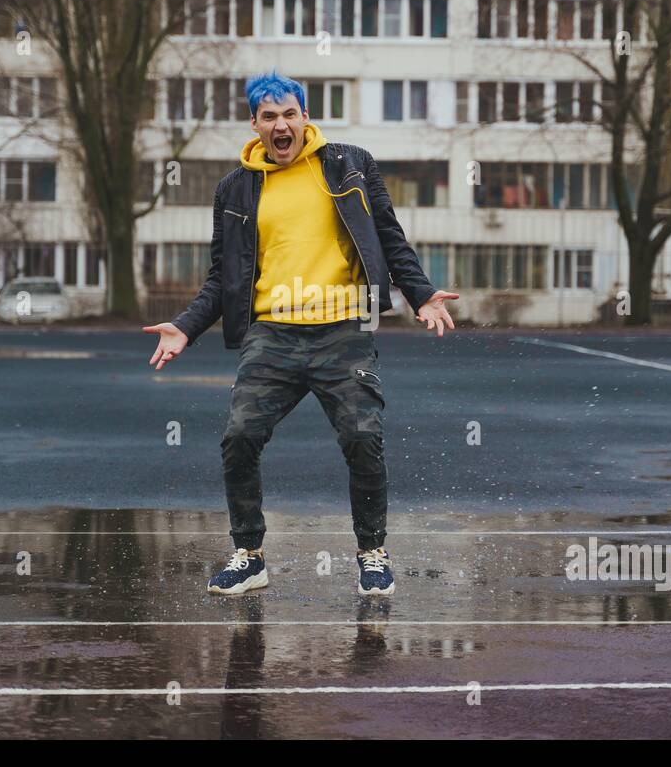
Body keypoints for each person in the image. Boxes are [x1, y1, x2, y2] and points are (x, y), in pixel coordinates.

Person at [143, 71, 458, 597]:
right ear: (255, 124)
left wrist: (420, 292)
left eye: (290, 113)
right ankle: (249, 555)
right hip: (273, 334)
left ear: (305, 117)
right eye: (270, 117)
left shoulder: (350, 163)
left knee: (363, 438)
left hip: (344, 327)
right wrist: (185, 327)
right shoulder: (235, 188)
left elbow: (387, 235)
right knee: (240, 436)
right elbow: (223, 276)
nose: (281, 125)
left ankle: (372, 553)